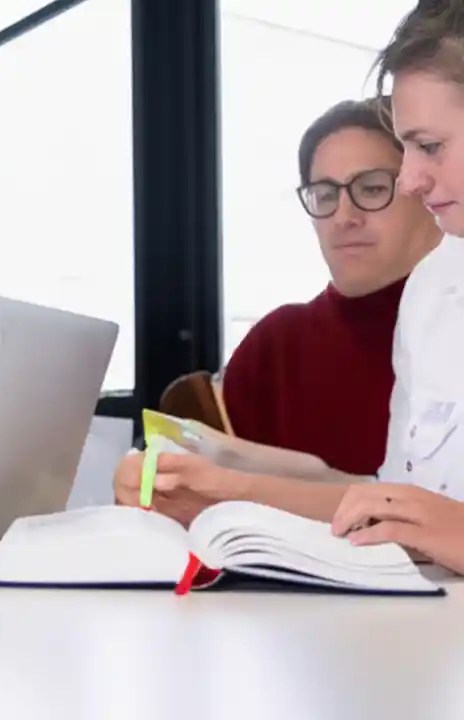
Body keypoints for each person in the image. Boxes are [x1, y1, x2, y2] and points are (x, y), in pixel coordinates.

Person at [116, 0, 464, 574]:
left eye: (428, 147)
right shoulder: (432, 291)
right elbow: (388, 501)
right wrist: (219, 489)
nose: (411, 180)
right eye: (324, 195)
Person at [219, 96, 442, 476]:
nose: (343, 216)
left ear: (429, 191)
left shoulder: (448, 335)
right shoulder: (275, 347)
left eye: (371, 189)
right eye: (324, 195)